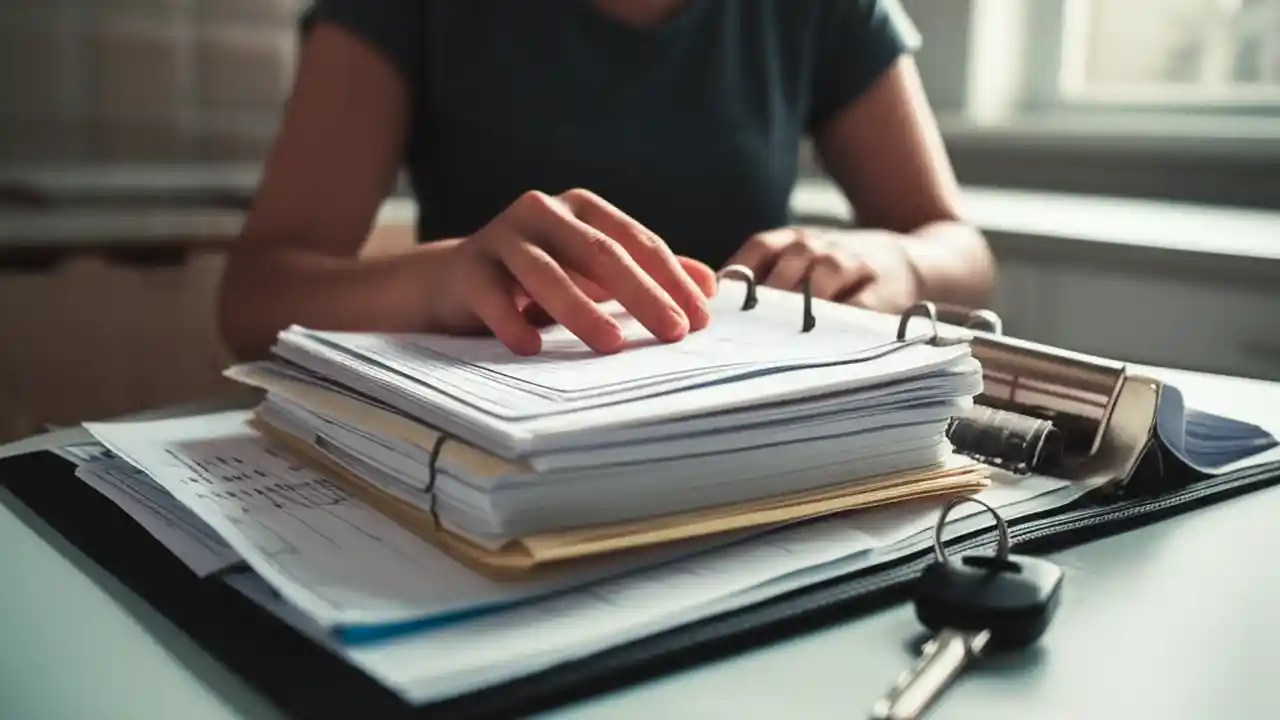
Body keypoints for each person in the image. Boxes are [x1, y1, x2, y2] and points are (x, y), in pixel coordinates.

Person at [218, 0, 994, 359]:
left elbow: (959, 246)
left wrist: (895, 262)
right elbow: (256, 300)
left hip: (755, 447)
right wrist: (437, 282)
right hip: (486, 448)